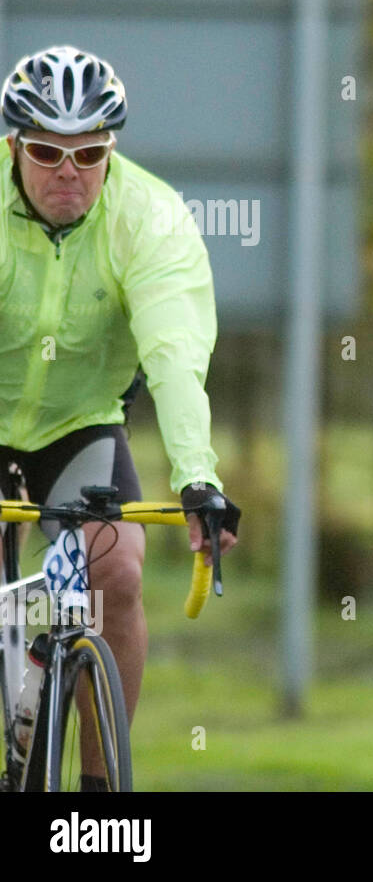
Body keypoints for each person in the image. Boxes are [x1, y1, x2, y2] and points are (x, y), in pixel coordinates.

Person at [0, 45, 240, 788]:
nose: (67, 170)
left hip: (80, 420)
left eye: (89, 153)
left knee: (119, 572)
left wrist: (198, 478)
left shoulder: (150, 217)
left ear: (112, 149)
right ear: (13, 145)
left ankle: (101, 793)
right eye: (46, 150)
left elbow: (172, 352)